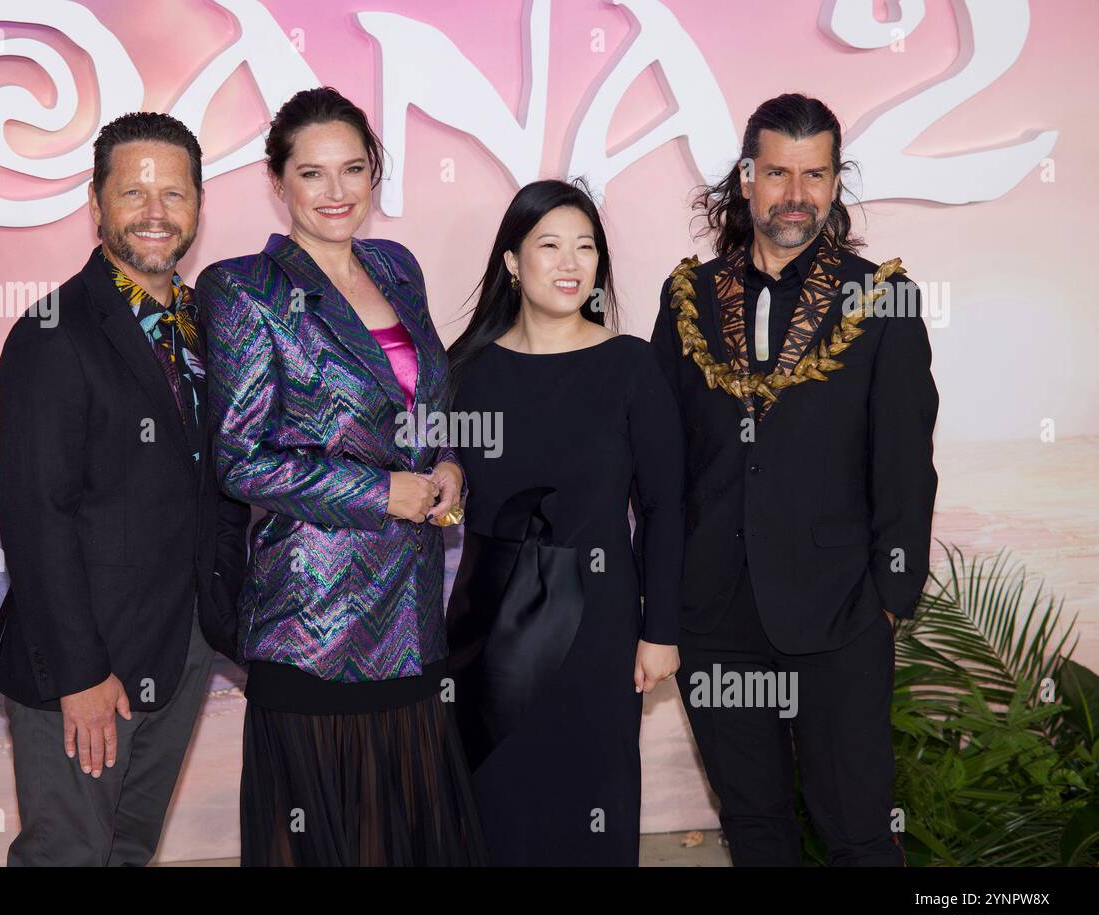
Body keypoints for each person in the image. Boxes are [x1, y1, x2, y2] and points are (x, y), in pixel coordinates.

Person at [196, 87, 486, 866]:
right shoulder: (241, 290)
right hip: (316, 620)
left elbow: (419, 405)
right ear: (277, 180)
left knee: (412, 833)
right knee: (329, 839)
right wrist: (379, 492)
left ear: (374, 173)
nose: (336, 192)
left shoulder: (397, 266)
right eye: (313, 173)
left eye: (352, 169)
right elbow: (240, 457)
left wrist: (447, 462)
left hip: (413, 604)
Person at [650, 93, 938, 866]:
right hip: (714, 614)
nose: (796, 194)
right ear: (747, 177)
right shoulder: (688, 298)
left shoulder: (881, 298)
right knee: (754, 824)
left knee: (856, 830)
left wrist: (888, 603)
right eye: (778, 172)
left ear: (836, 182)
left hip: (842, 615)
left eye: (815, 174)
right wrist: (663, 603)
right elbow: (663, 464)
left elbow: (906, 464)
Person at [0, 112, 250, 866]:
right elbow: (36, 518)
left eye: (174, 193)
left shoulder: (202, 325)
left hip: (183, 645)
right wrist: (81, 673)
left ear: (198, 205)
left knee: (128, 850)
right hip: (90, 663)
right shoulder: (53, 331)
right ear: (96, 206)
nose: (155, 211)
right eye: (133, 192)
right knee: (70, 853)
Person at [444, 178, 685, 865]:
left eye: (585, 247)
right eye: (549, 245)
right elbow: (435, 477)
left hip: (598, 626)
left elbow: (667, 505)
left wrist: (659, 630)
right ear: (514, 261)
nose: (570, 262)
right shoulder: (466, 369)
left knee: (592, 806)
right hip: (486, 627)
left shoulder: (630, 364)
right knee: (496, 806)